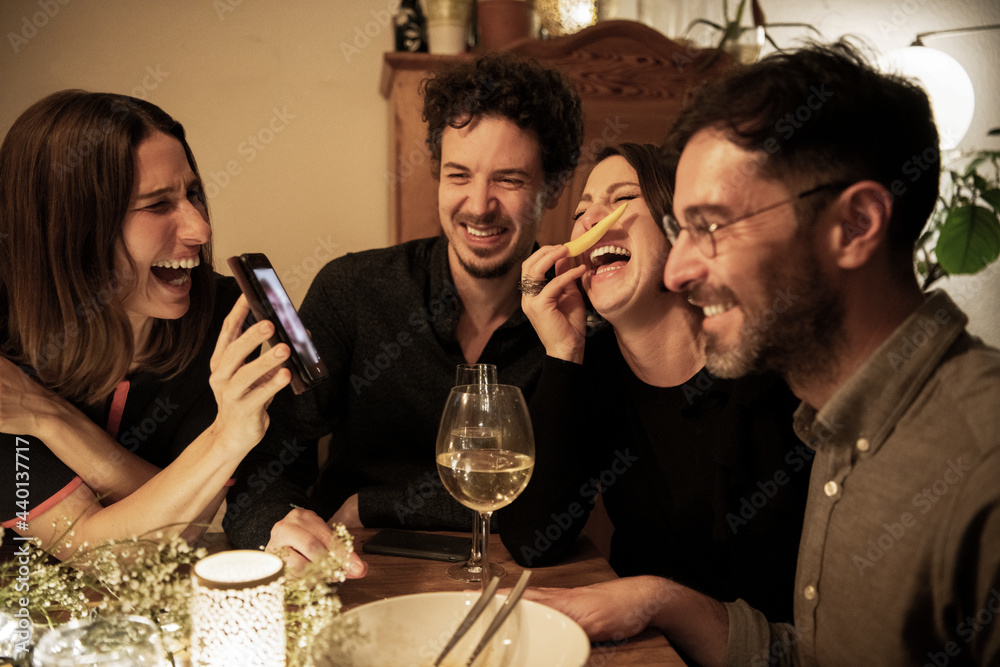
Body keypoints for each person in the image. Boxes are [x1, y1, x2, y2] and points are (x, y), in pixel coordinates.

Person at [525, 41, 1000, 666]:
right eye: (682, 231)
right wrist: (661, 599)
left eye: (712, 226)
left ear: (855, 225)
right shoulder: (835, 425)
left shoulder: (981, 462)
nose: (681, 270)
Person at [224, 52, 585, 564]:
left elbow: (555, 518)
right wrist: (277, 526)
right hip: (356, 568)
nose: (479, 205)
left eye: (509, 179)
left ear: (552, 188)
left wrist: (370, 505)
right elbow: (265, 467)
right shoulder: (354, 289)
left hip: (516, 579)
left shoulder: (577, 325)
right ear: (436, 174)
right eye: (459, 175)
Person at [0, 91, 361, 577]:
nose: (201, 228)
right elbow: (101, 552)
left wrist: (49, 418)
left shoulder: (227, 319)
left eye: (192, 194)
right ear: (71, 229)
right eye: (156, 205)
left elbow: (182, 533)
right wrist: (223, 441)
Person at [499, 143, 809, 625]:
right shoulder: (594, 368)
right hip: (644, 646)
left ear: (680, 230)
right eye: (581, 210)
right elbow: (531, 542)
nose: (589, 220)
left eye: (621, 199)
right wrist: (563, 353)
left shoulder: (766, 373)